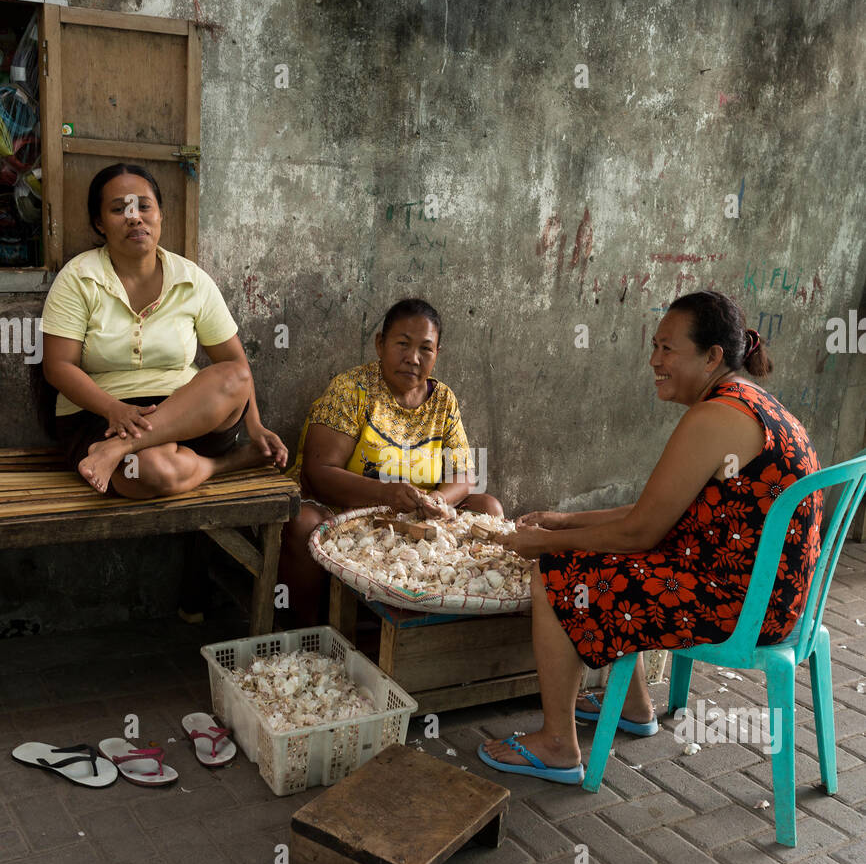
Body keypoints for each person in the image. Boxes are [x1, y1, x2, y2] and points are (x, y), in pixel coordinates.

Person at [479, 290, 823, 783]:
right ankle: (635, 706)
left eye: (668, 349)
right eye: (654, 347)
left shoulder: (715, 417)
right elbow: (661, 511)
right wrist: (564, 520)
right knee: (620, 561)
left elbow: (640, 531)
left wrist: (546, 545)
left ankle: (557, 744)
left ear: (712, 357)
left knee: (554, 575)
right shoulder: (752, 402)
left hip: (741, 611)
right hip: (779, 600)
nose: (654, 361)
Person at [40, 163, 287, 497]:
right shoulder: (79, 277)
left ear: (160, 215)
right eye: (119, 209)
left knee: (234, 376)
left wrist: (254, 425)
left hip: (190, 416)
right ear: (99, 223)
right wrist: (114, 409)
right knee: (152, 470)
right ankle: (222, 465)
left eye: (144, 206)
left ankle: (116, 451)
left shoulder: (191, 278)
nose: (134, 217)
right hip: (101, 416)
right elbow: (58, 366)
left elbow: (235, 365)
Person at [279, 297, 503, 624]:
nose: (413, 358)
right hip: (349, 517)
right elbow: (318, 474)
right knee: (301, 522)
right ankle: (304, 628)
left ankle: (455, 632)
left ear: (436, 354)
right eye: (402, 344)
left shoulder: (443, 400)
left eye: (426, 349)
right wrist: (387, 494)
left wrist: (439, 500)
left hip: (418, 521)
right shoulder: (353, 389)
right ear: (380, 344)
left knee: (489, 509)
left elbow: (463, 473)